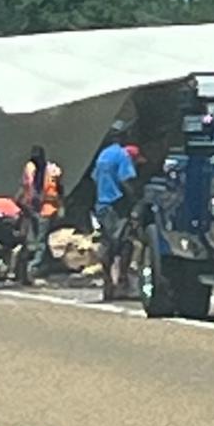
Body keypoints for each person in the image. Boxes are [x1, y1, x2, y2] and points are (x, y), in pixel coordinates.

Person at [91, 124, 138, 301]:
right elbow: (125, 179)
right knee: (125, 243)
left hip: (102, 204)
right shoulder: (121, 155)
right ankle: (122, 282)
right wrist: (134, 200)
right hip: (116, 205)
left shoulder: (103, 155)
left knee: (107, 243)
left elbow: (95, 178)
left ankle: (107, 282)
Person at [15, 145, 63, 281]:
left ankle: (34, 266)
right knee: (36, 239)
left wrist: (60, 206)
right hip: (32, 208)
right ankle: (40, 264)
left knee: (40, 240)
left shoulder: (51, 170)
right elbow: (25, 187)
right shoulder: (31, 169)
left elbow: (58, 189)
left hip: (46, 208)